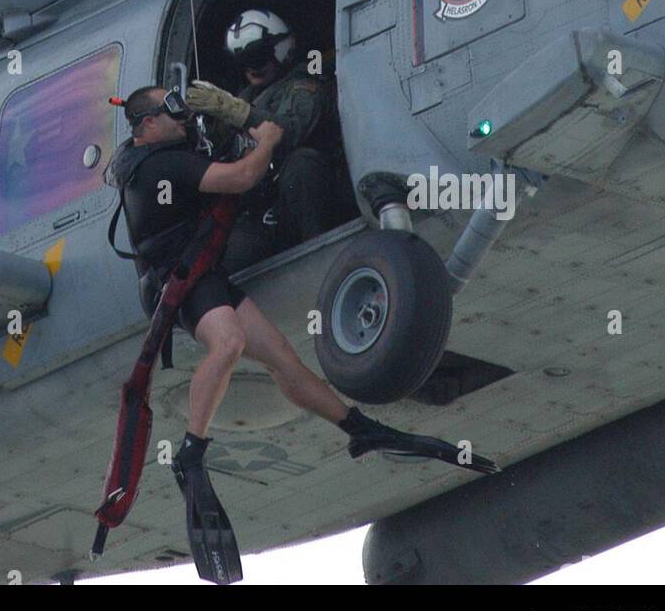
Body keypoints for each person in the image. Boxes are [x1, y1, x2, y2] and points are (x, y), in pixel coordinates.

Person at [104, 84, 498, 583]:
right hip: (180, 282)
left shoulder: (161, 157)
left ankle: (358, 429)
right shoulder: (159, 164)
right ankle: (191, 453)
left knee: (282, 358)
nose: (183, 118)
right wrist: (266, 139)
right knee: (229, 343)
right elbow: (245, 175)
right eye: (173, 110)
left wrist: (234, 113)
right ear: (147, 125)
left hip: (202, 274)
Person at [185, 9, 342, 249]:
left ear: (281, 49)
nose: (251, 67)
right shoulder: (245, 97)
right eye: (242, 60)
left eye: (257, 56)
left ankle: (323, 250)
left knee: (302, 163)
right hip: (258, 209)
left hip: (301, 196)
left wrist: (236, 111)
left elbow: (291, 130)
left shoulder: (304, 87)